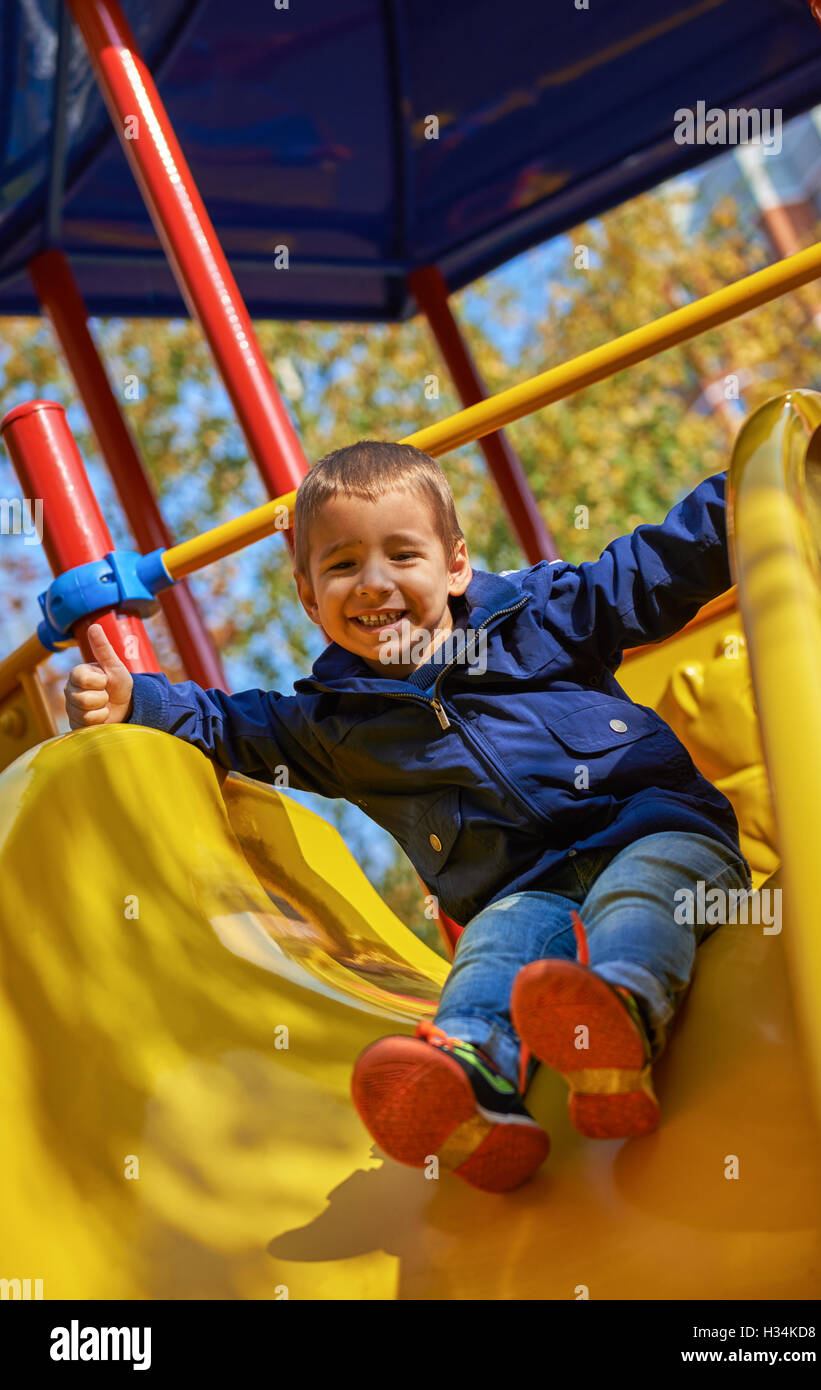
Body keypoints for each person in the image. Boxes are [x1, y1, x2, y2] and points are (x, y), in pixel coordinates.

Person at [66, 438, 756, 1195]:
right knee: (493, 949)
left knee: (642, 891)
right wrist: (142, 700)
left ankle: (617, 1013)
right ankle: (468, 1086)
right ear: (307, 595)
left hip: (658, 829)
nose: (373, 583)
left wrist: (747, 493)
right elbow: (238, 726)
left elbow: (652, 570)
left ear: (456, 565)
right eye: (341, 566)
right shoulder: (334, 725)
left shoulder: (542, 619)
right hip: (525, 889)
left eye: (403, 555)